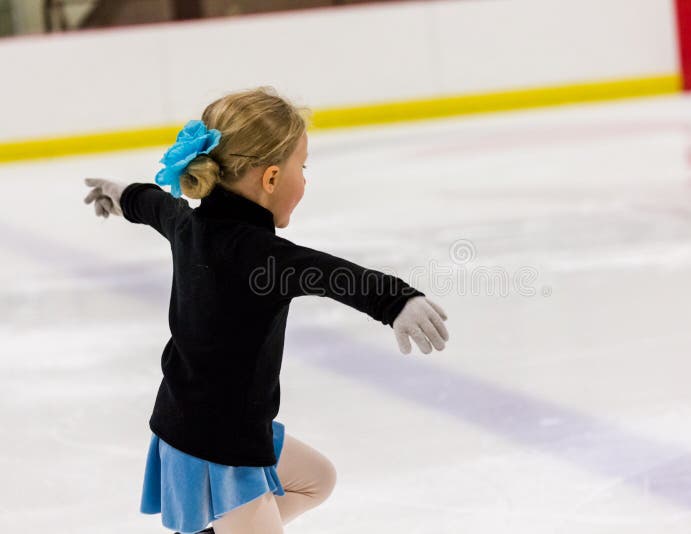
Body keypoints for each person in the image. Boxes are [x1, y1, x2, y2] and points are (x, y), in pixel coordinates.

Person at [83, 86, 450, 534]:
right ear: (272, 179)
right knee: (309, 485)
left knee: (316, 480)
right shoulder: (260, 256)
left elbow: (156, 206)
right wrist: (396, 300)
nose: (306, 178)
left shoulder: (191, 226)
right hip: (219, 447)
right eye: (304, 166)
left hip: (196, 424)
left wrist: (122, 195)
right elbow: (332, 274)